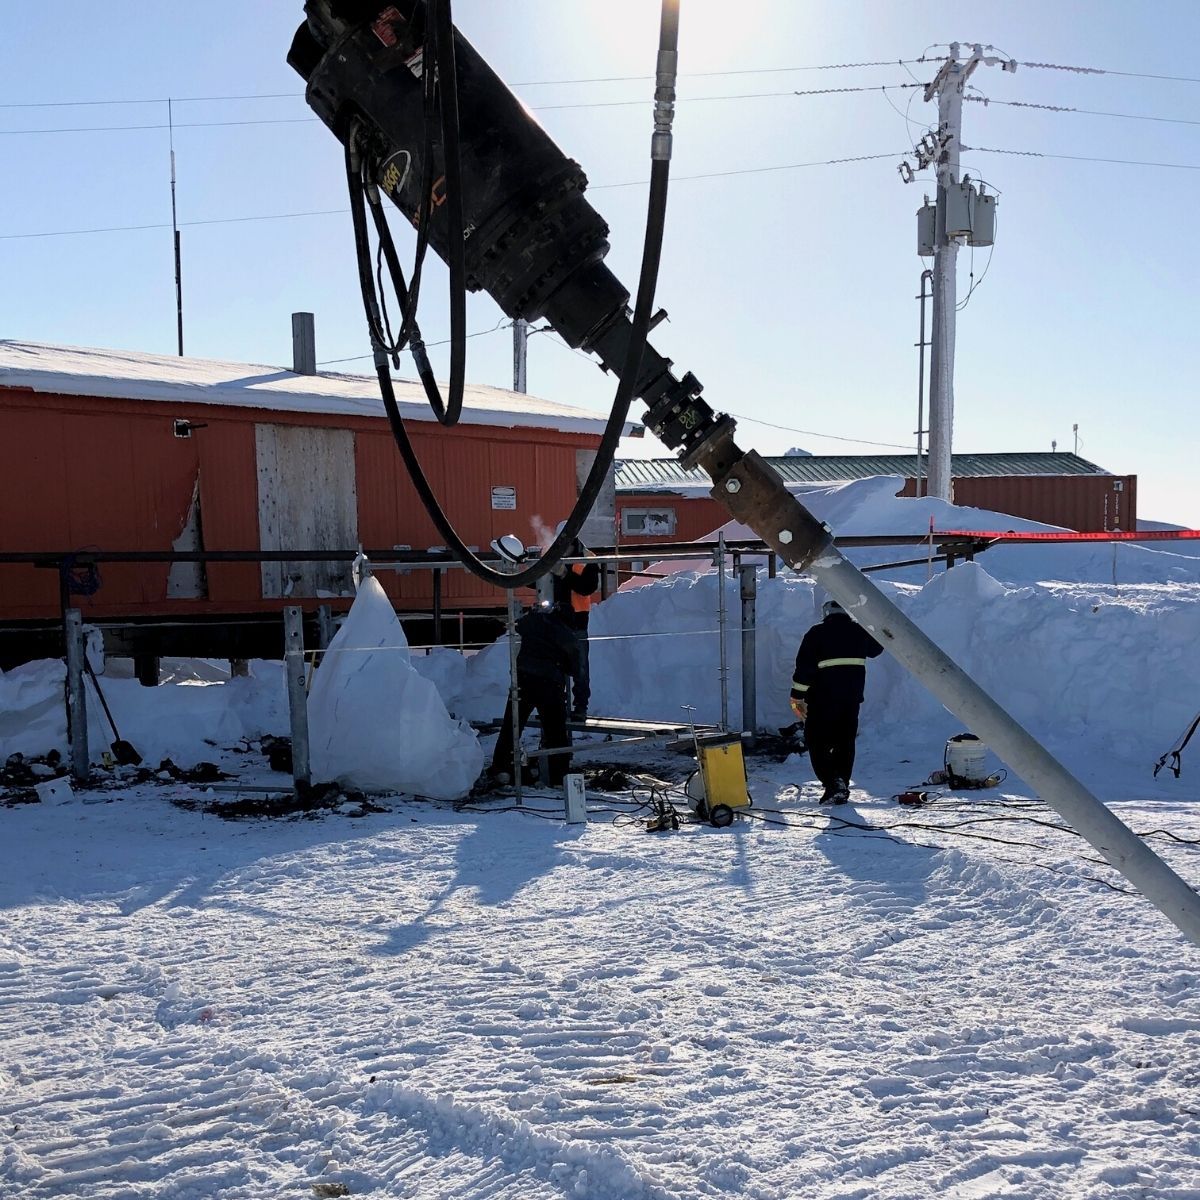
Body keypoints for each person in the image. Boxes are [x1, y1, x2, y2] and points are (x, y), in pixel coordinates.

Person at [789, 598, 883, 804]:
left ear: (826, 613)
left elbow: (805, 668)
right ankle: (842, 783)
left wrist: (797, 696)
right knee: (845, 742)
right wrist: (868, 622)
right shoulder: (859, 631)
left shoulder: (816, 633)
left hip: (822, 699)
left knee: (816, 741)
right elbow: (877, 649)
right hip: (851, 699)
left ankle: (833, 783)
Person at [490, 600, 581, 787]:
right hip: (549, 682)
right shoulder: (567, 635)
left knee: (512, 725)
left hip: (523, 678)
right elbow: (575, 667)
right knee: (556, 731)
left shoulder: (534, 620)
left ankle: (501, 768)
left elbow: (519, 626)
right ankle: (559, 776)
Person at [550, 528, 600, 720]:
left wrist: (565, 574)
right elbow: (534, 581)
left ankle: (580, 707)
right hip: (555, 620)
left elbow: (587, 587)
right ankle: (557, 706)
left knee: (580, 668)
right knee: (555, 667)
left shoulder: (588, 558)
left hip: (577, 621)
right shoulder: (551, 557)